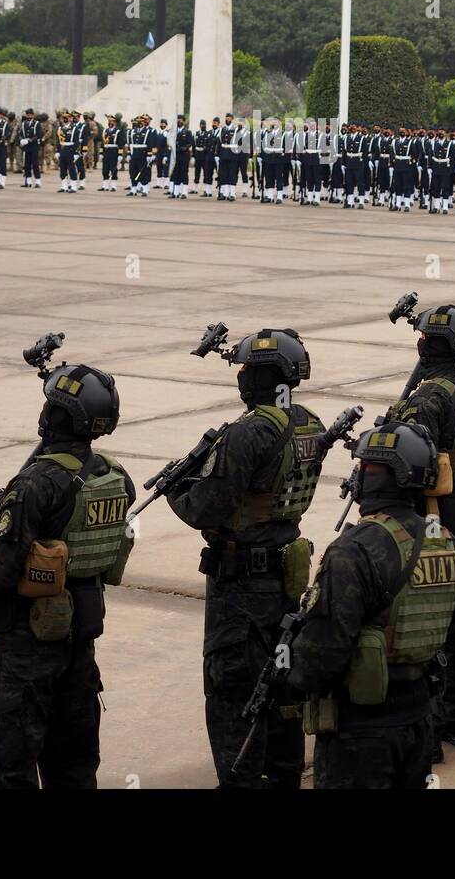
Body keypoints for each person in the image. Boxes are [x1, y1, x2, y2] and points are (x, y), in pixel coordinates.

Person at [0, 354, 135, 788]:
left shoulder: (36, 484)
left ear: (57, 417)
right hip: (79, 643)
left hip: (27, 647)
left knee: (11, 764)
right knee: (73, 767)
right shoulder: (115, 477)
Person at [165, 328, 325, 789]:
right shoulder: (309, 422)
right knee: (282, 687)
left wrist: (177, 488)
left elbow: (206, 508)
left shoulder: (249, 431)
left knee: (233, 690)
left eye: (247, 369)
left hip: (242, 583)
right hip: (287, 573)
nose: (241, 377)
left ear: (262, 376)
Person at [289, 422, 455, 789]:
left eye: (366, 467)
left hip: (362, 730)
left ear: (390, 475)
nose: (358, 475)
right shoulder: (448, 543)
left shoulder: (354, 550)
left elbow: (325, 649)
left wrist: (289, 683)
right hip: (420, 718)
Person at [391, 303, 455, 749]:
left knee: (428, 614)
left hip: (431, 513)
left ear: (425, 345)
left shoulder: (428, 396)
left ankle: (430, 727)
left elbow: (410, 465)